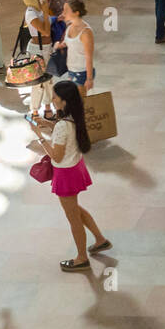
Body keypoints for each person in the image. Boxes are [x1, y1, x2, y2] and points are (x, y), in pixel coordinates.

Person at [28, 81, 109, 271]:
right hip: (75, 167)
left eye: (55, 97)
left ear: (64, 101)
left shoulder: (62, 126)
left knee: (73, 217)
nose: (52, 99)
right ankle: (100, 240)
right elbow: (63, 129)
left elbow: (56, 155)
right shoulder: (72, 116)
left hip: (65, 173)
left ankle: (81, 258)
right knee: (76, 210)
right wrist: (48, 124)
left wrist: (39, 136)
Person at [57, 0, 96, 91]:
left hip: (82, 72)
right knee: (75, 101)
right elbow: (66, 43)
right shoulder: (69, 27)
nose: (63, 13)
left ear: (76, 13)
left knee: (80, 102)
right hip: (71, 71)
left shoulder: (86, 32)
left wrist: (89, 79)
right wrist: (58, 45)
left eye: (66, 11)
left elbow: (89, 57)